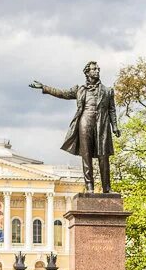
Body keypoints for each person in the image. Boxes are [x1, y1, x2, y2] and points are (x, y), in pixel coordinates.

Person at [30, 61, 121, 193]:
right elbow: (62, 93)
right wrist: (45, 87)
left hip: (102, 125)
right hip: (85, 122)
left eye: (98, 69)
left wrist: (115, 126)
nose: (97, 71)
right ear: (87, 72)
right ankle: (89, 187)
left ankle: (107, 188)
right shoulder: (80, 90)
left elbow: (112, 109)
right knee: (86, 155)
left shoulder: (108, 91)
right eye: (94, 69)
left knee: (103, 156)